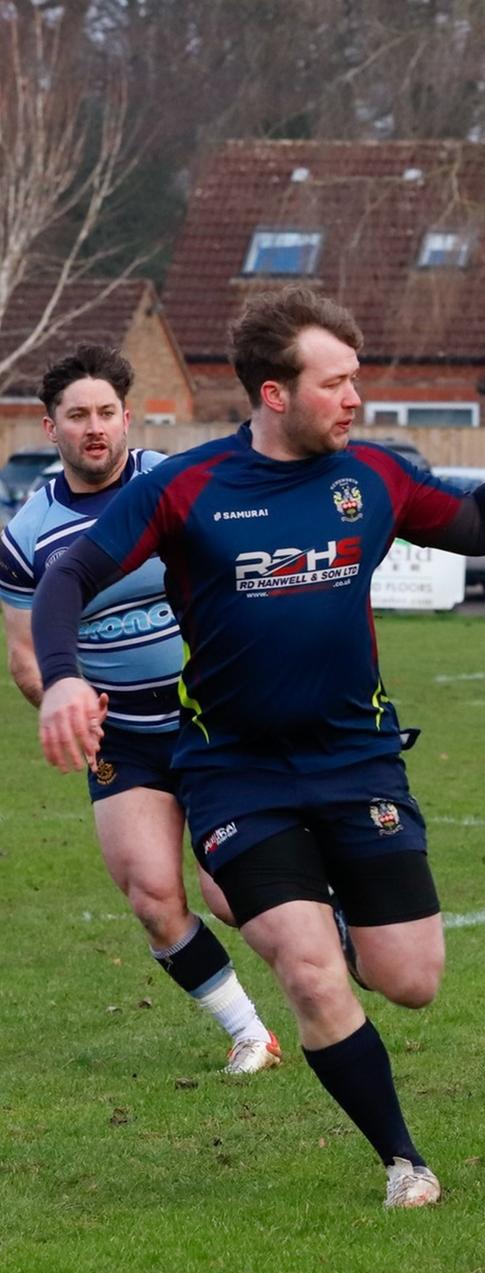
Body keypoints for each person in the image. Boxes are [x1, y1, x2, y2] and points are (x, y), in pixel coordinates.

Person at [33, 287, 485, 1207]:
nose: (355, 399)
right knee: (308, 974)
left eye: (356, 380)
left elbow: (478, 527)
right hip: (235, 771)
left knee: (410, 979)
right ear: (276, 394)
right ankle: (404, 1161)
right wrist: (64, 673)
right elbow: (70, 569)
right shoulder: (187, 488)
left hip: (357, 759)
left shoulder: (373, 478)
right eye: (337, 382)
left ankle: (339, 925)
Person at [2, 345, 281, 1075]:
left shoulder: (178, 484)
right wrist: (63, 707)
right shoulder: (27, 532)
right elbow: (27, 656)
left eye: (105, 413)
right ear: (49, 428)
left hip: (212, 719)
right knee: (154, 899)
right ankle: (251, 1033)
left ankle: (338, 930)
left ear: (128, 417)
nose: (94, 428)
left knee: (232, 892)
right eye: (76, 416)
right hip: (120, 734)